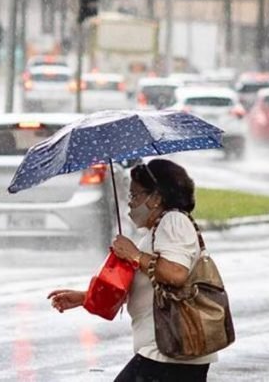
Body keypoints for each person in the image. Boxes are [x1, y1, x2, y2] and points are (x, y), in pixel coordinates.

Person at [47, 159, 215, 382]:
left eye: (135, 195)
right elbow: (150, 286)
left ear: (156, 198)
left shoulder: (173, 222)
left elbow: (176, 274)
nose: (130, 203)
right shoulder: (157, 230)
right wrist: (84, 297)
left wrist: (134, 254)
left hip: (169, 351)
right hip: (168, 350)